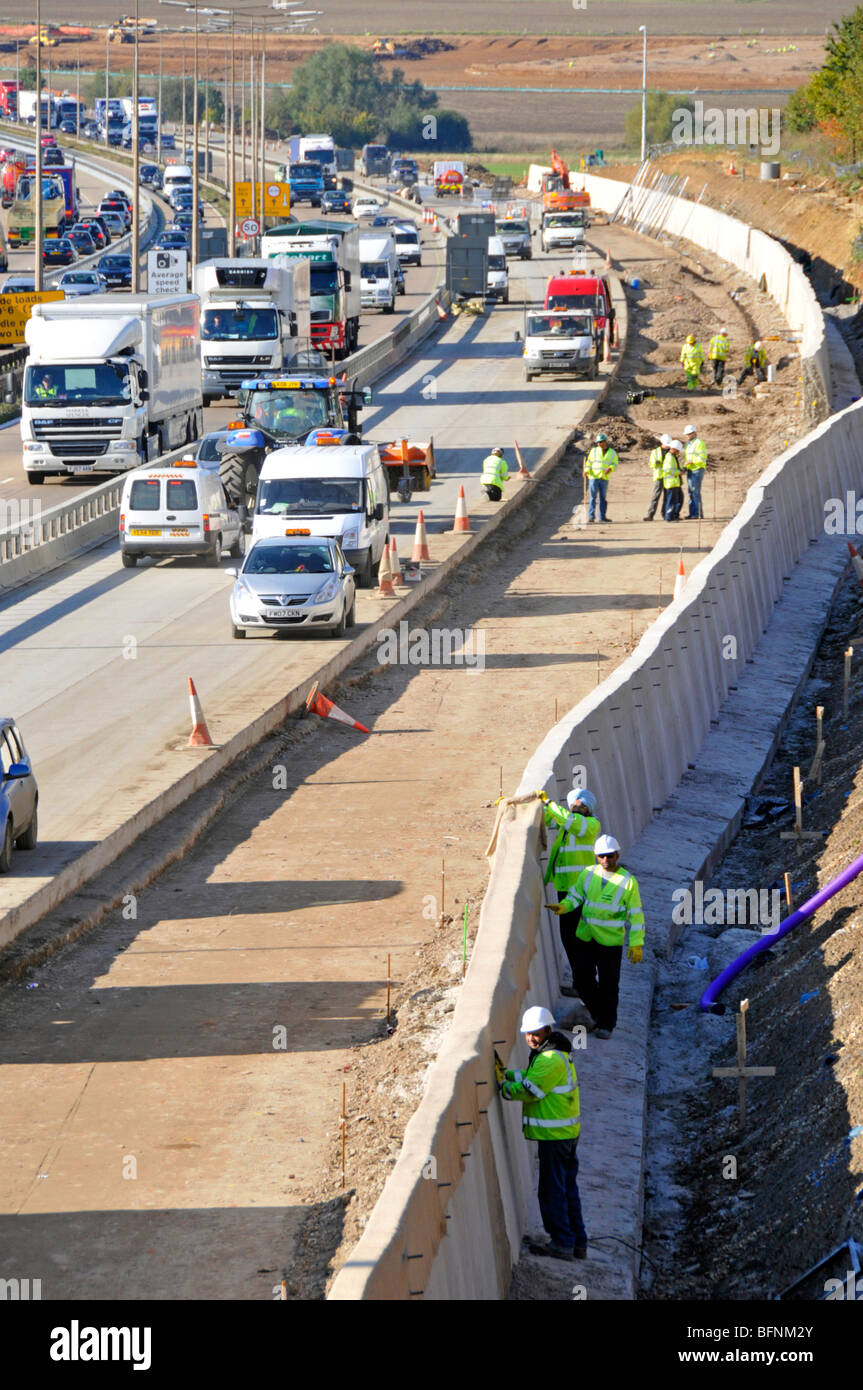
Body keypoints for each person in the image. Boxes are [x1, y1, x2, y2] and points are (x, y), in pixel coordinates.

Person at [497, 1006, 587, 1261]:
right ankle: (577, 1242)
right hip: (565, 1135)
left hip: (555, 1138)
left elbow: (530, 1089)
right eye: (527, 1035)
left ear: (548, 1030)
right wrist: (511, 1074)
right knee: (567, 1187)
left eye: (535, 1034)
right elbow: (533, 1078)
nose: (531, 1039)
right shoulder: (552, 1054)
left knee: (551, 1192)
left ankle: (562, 1243)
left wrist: (505, 1088)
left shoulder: (549, 1059)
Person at [549, 835, 644, 1040]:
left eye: (609, 856)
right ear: (596, 856)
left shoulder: (627, 882)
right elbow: (575, 896)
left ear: (617, 855)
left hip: (610, 942)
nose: (605, 860)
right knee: (581, 978)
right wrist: (564, 906)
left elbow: (636, 915)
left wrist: (636, 943)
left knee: (609, 983)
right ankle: (597, 1012)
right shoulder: (588, 874)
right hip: (586, 935)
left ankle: (606, 1025)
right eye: (601, 856)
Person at [534, 787, 601, 1000]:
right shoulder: (568, 823)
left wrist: (549, 804)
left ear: (588, 808)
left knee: (578, 939)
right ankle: (581, 983)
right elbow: (548, 821)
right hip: (566, 889)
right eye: (574, 805)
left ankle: (587, 985)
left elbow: (570, 822)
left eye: (580, 805)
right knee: (569, 938)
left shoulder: (589, 825)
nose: (577, 808)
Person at [584, 431, 618, 523]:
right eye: (598, 442)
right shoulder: (594, 451)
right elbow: (589, 462)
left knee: (603, 498)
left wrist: (610, 468)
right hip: (594, 476)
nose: (599, 444)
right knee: (592, 498)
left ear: (605, 442)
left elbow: (615, 464)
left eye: (601, 442)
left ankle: (602, 517)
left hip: (604, 478)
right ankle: (591, 517)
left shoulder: (612, 453)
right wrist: (586, 471)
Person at [682, 423, 708, 519]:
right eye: (686, 434)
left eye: (689, 434)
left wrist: (692, 461)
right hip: (690, 470)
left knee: (695, 492)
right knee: (691, 492)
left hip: (697, 469)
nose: (687, 436)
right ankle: (692, 513)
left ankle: (698, 513)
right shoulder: (688, 444)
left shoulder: (699, 443)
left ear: (694, 433)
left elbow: (702, 458)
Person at [643, 433, 671, 521]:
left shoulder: (671, 452)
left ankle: (665, 514)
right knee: (656, 496)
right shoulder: (655, 452)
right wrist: (655, 463)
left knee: (667, 497)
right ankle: (650, 514)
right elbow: (651, 464)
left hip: (668, 477)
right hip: (659, 477)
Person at [662, 439, 684, 521]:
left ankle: (674, 516)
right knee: (671, 502)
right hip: (671, 483)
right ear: (674, 449)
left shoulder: (673, 457)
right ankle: (669, 518)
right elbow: (668, 470)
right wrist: (679, 472)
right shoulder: (669, 458)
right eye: (678, 450)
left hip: (674, 483)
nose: (678, 452)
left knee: (677, 500)